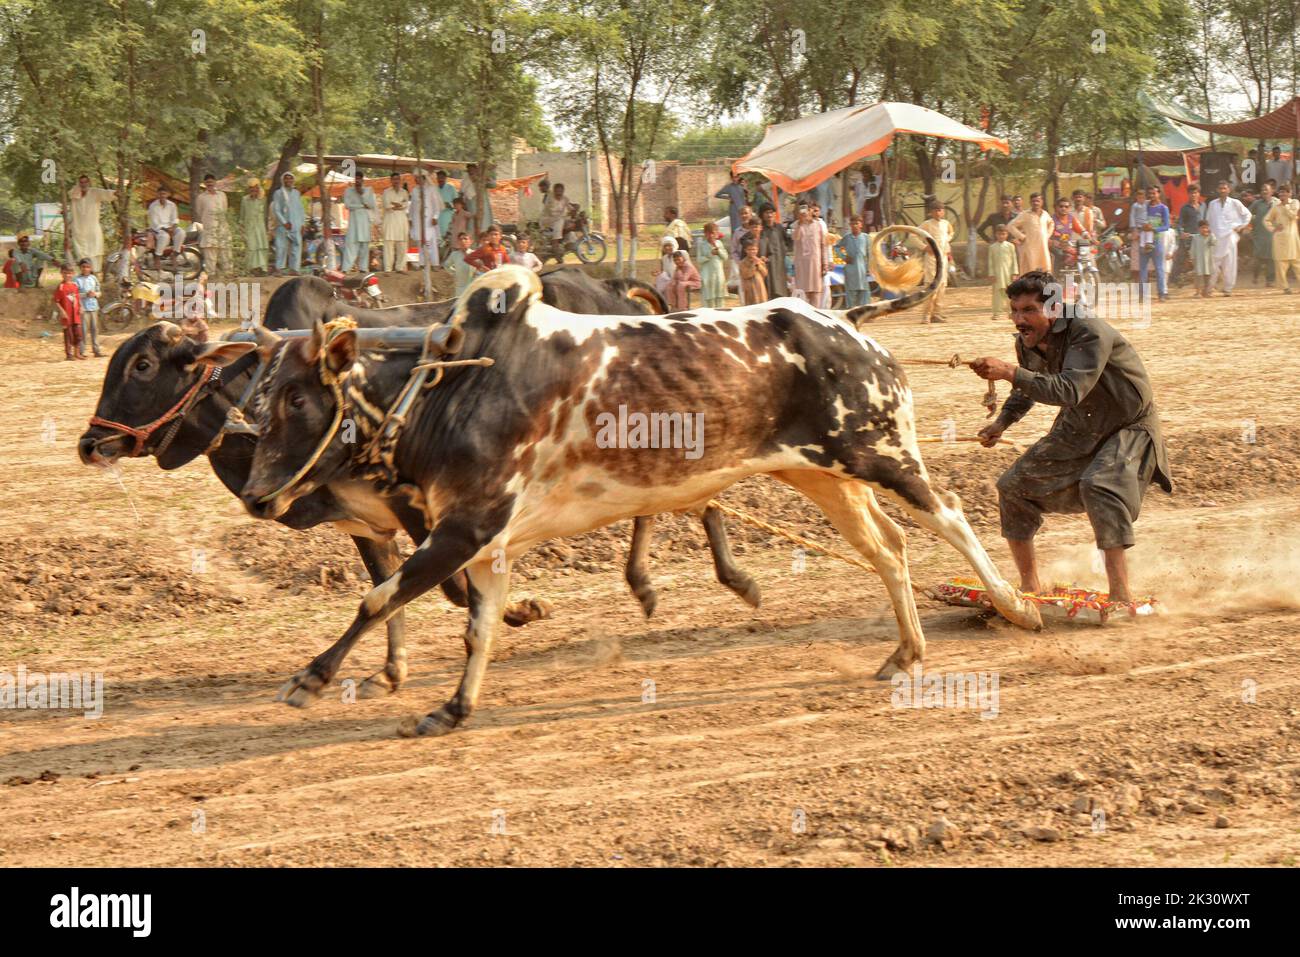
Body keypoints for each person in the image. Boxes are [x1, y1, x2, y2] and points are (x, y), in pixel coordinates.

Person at [972, 269, 1171, 604]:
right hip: (1080, 424)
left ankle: (1121, 596)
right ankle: (1029, 586)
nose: (1020, 320)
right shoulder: (1027, 341)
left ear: (1054, 307)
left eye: (1029, 311)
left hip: (1129, 426)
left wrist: (1008, 372)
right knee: (1011, 487)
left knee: (1100, 485)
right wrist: (1001, 424)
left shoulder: (1088, 332)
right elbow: (1027, 389)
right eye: (1016, 311)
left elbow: (1069, 390)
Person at [1206, 180, 1252, 296]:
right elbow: (1208, 220)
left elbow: (1248, 215)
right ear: (1217, 190)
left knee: (1230, 264)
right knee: (1213, 263)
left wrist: (1241, 226)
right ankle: (1210, 287)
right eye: (1220, 188)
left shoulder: (1235, 203)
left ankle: (1228, 289)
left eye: (1224, 188)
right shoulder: (1213, 204)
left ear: (1229, 190)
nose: (1222, 191)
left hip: (1230, 236)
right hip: (1216, 237)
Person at [67, 174, 116, 273]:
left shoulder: (95, 192)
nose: (83, 184)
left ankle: (94, 276)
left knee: (94, 252)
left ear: (89, 182)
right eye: (81, 182)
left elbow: (107, 194)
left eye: (85, 182)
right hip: (78, 230)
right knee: (81, 254)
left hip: (92, 230)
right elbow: (70, 194)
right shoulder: (74, 194)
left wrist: (117, 192)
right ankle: (83, 277)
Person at [918, 202, 954, 323]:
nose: (938, 213)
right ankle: (926, 315)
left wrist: (947, 241)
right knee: (931, 286)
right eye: (936, 210)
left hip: (943, 258)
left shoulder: (946, 224)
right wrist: (924, 247)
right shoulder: (927, 224)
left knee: (942, 286)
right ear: (931, 212)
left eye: (940, 210)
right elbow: (913, 236)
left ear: (943, 212)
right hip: (932, 259)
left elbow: (951, 233)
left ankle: (936, 314)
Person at [192, 174, 232, 276]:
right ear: (205, 184)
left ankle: (228, 274)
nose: (210, 184)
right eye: (207, 182)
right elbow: (199, 212)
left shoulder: (222, 195)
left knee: (225, 252)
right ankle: (211, 276)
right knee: (210, 253)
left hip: (222, 228)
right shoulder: (201, 197)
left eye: (211, 182)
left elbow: (225, 209)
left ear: (215, 182)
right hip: (209, 228)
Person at [1135, 185, 1170, 301]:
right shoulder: (1144, 207)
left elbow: (1166, 226)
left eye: (1154, 193)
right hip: (1144, 241)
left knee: (1159, 268)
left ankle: (1161, 294)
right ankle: (1143, 295)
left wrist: (1154, 229)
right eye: (1149, 193)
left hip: (1156, 240)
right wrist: (1142, 227)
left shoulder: (1163, 208)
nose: (1151, 195)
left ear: (1158, 194)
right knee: (1143, 269)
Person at [1264, 183, 1300, 294]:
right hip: (1279, 239)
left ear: (1290, 193)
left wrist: (1286, 206)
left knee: (1297, 262)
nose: (1282, 194)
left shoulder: (1295, 203)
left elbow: (1293, 216)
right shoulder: (1276, 207)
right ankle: (1285, 288)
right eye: (1280, 192)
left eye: (1284, 192)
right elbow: (1266, 220)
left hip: (1292, 238)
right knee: (1280, 264)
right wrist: (1273, 228)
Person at [1007, 193, 1053, 274]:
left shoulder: (1045, 214)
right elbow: (1010, 226)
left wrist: (1047, 235)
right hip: (1030, 247)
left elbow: (1051, 223)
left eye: (1038, 201)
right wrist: (1021, 237)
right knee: (1031, 270)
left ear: (1042, 202)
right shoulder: (1025, 214)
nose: (1036, 203)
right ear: (1030, 202)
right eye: (1033, 201)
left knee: (1045, 269)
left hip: (1043, 247)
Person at [791, 203, 827, 305]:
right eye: (802, 209)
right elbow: (795, 237)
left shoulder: (819, 225)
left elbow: (823, 246)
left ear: (811, 210)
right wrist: (800, 223)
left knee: (815, 292)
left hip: (815, 264)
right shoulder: (795, 225)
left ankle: (816, 315)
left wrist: (825, 264)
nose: (805, 212)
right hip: (802, 264)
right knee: (802, 293)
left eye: (807, 209)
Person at [833, 216, 871, 309]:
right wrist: (844, 257)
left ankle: (864, 313)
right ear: (850, 225)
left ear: (861, 225)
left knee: (864, 292)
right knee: (851, 293)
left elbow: (870, 254)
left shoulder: (865, 237)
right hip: (851, 269)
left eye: (857, 223)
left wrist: (869, 267)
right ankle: (851, 313)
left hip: (862, 270)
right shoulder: (847, 237)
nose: (854, 226)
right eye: (852, 223)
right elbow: (836, 247)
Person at [1170, 183, 1206, 283]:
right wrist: (1181, 233)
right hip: (1187, 238)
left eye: (1195, 193)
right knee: (1180, 258)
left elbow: (1206, 221)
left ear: (1199, 194)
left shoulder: (1203, 206)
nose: (1193, 195)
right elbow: (1180, 223)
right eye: (1191, 193)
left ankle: (1203, 281)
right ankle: (1173, 279)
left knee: (1201, 259)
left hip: (1200, 238)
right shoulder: (1185, 208)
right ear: (1188, 194)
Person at [342, 173, 377, 272]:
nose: (357, 181)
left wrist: (362, 194)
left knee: (364, 246)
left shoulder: (368, 190)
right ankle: (346, 268)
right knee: (351, 244)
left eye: (359, 179)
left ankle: (363, 268)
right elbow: (348, 205)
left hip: (365, 221)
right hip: (353, 222)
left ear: (362, 180)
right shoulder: (348, 191)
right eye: (356, 179)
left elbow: (371, 205)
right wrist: (361, 206)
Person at [271, 172, 305, 274]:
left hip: (296, 224)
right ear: (283, 180)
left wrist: (303, 224)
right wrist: (284, 222)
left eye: (290, 178)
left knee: (297, 246)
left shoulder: (296, 193)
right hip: (283, 225)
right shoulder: (278, 193)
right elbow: (276, 210)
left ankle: (294, 269)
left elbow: (300, 209)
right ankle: (279, 269)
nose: (288, 180)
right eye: (286, 179)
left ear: (293, 180)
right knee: (281, 246)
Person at [410, 171, 444, 268]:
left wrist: (435, 217)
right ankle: (419, 264)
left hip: (429, 220)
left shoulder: (431, 189)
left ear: (424, 178)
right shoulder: (414, 190)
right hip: (417, 220)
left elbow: (436, 206)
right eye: (416, 178)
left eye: (419, 178)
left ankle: (434, 264)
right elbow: (412, 206)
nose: (417, 180)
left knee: (430, 242)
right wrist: (410, 218)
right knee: (418, 241)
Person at [379, 173, 411, 273]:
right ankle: (388, 269)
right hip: (390, 220)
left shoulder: (404, 192)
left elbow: (406, 205)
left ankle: (400, 267)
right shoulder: (386, 192)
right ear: (391, 180)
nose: (396, 181)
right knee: (389, 245)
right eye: (394, 179)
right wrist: (398, 205)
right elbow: (386, 205)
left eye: (397, 179)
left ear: (400, 180)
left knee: (402, 245)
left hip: (401, 219)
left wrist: (395, 204)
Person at [53, 263, 84, 360]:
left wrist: (81, 307)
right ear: (62, 274)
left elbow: (78, 298)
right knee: (68, 334)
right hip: (67, 315)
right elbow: (56, 301)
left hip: (75, 314)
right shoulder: (61, 287)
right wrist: (62, 311)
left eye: (70, 273)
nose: (68, 275)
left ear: (73, 274)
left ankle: (77, 352)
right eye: (65, 273)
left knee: (78, 333)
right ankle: (69, 354)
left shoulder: (74, 285)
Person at [73, 258, 103, 357]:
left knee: (95, 329)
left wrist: (95, 294)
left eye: (88, 267)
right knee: (84, 331)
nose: (86, 269)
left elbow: (99, 292)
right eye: (84, 267)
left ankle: (96, 350)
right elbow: (75, 295)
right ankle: (82, 351)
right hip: (83, 308)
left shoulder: (93, 278)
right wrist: (85, 294)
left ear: (91, 268)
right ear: (80, 268)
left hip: (94, 307)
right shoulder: (77, 280)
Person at [1249, 183, 1277, 287]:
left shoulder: (1277, 203)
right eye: (1262, 190)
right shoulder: (1257, 203)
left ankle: (1270, 280)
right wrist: (1252, 221)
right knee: (1258, 258)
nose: (1264, 191)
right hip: (1259, 235)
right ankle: (1255, 277)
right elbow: (1247, 214)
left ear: (1272, 191)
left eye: (1266, 189)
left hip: (1273, 235)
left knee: (1271, 258)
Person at [757, 206, 789, 297]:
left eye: (771, 212)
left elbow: (788, 241)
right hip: (765, 264)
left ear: (775, 214)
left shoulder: (779, 227)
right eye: (766, 212)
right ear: (762, 215)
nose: (769, 215)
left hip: (779, 263)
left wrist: (784, 252)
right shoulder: (759, 229)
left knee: (780, 289)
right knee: (767, 289)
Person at [988, 223, 1017, 319]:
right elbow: (990, 262)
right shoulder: (992, 247)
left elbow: (1014, 260)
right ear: (996, 234)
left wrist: (1014, 273)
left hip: (1008, 274)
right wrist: (991, 274)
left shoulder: (1010, 246)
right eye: (999, 234)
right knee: (997, 294)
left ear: (1007, 234)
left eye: (1003, 234)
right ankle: (996, 313)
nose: (1001, 236)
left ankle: (1010, 312)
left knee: (1009, 294)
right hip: (997, 275)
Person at [695, 221, 728, 308]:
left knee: (719, 298)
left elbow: (725, 257)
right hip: (707, 275)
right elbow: (699, 260)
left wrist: (719, 251)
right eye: (709, 233)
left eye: (714, 233)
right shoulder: (702, 245)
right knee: (709, 300)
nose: (712, 235)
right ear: (705, 234)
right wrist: (710, 254)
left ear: (717, 233)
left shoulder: (719, 244)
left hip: (718, 275)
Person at [147, 185, 184, 260]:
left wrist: (173, 228)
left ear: (167, 194)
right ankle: (158, 256)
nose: (162, 196)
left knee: (181, 232)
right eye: (160, 194)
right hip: (158, 229)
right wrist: (167, 230)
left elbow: (175, 219)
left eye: (164, 194)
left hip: (170, 227)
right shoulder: (153, 206)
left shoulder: (172, 205)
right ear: (157, 194)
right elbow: (155, 223)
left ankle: (175, 253)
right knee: (164, 236)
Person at [241, 179, 268, 274]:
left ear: (258, 188)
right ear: (249, 189)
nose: (254, 190)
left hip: (260, 228)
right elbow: (242, 216)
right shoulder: (245, 200)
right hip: (249, 228)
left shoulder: (263, 199)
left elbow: (265, 215)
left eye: (256, 188)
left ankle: (261, 269)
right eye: (251, 188)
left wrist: (267, 229)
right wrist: (242, 229)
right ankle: (251, 269)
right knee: (251, 248)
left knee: (261, 247)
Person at [1190, 221, 1215, 297]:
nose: (1204, 229)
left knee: (1207, 277)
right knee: (1198, 277)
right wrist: (1192, 258)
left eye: (1206, 228)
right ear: (1199, 229)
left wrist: (1210, 234)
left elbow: (1214, 243)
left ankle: (1206, 292)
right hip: (1198, 260)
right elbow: (1192, 249)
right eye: (1203, 228)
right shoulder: (1196, 237)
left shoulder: (1210, 237)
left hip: (1208, 260)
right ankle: (1197, 292)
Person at [739, 239, 768, 304]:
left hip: (760, 288)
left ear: (757, 250)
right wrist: (753, 265)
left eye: (754, 249)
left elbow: (765, 273)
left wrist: (759, 265)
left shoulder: (760, 261)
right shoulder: (742, 263)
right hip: (750, 289)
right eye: (749, 250)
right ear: (745, 250)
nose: (752, 251)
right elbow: (745, 275)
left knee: (761, 305)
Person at [434, 170, 457, 239]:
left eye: (442, 178)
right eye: (439, 178)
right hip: (437, 216)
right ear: (437, 178)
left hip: (448, 216)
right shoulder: (434, 189)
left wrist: (449, 204)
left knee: (448, 236)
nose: (440, 179)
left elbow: (456, 202)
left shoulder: (451, 188)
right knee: (438, 237)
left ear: (445, 178)